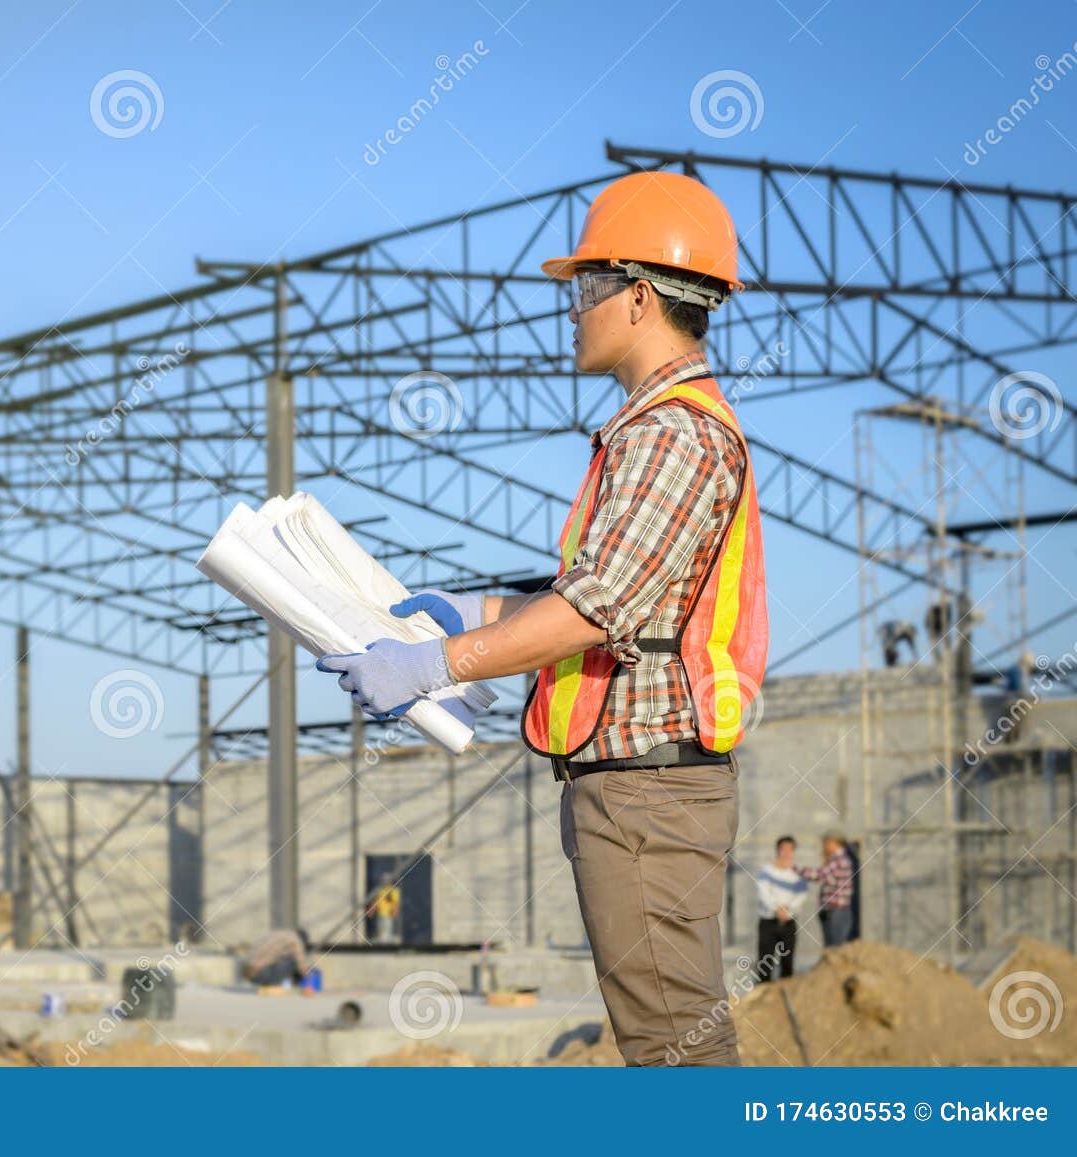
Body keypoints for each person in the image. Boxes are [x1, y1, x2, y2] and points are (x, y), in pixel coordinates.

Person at [315, 171, 768, 1067]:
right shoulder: (658, 428)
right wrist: (474, 612)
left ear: (640, 297)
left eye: (587, 286)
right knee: (666, 1040)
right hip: (637, 789)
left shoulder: (672, 433)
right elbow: (619, 596)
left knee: (675, 1048)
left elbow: (596, 608)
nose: (573, 308)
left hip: (647, 790)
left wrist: (441, 662)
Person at [755, 836, 809, 982]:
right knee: (765, 963)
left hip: (789, 923)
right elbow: (764, 892)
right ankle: (763, 995)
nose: (786, 852)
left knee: (787, 962)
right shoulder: (767, 871)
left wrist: (788, 909)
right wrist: (776, 909)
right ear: (778, 850)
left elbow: (802, 894)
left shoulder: (798, 873)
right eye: (783, 849)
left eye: (789, 849)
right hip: (768, 921)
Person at [799, 832, 856, 949]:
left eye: (825, 843)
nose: (824, 846)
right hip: (832, 911)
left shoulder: (838, 859)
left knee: (835, 950)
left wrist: (796, 869)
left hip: (836, 912)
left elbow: (820, 875)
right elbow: (829, 879)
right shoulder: (836, 859)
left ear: (833, 842)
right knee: (831, 948)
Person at [241, 928, 309, 987]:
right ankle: (274, 984)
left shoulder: (279, 934)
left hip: (245, 971)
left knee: (282, 958)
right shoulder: (295, 939)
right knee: (292, 961)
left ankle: (268, 984)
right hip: (257, 973)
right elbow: (301, 965)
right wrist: (308, 977)